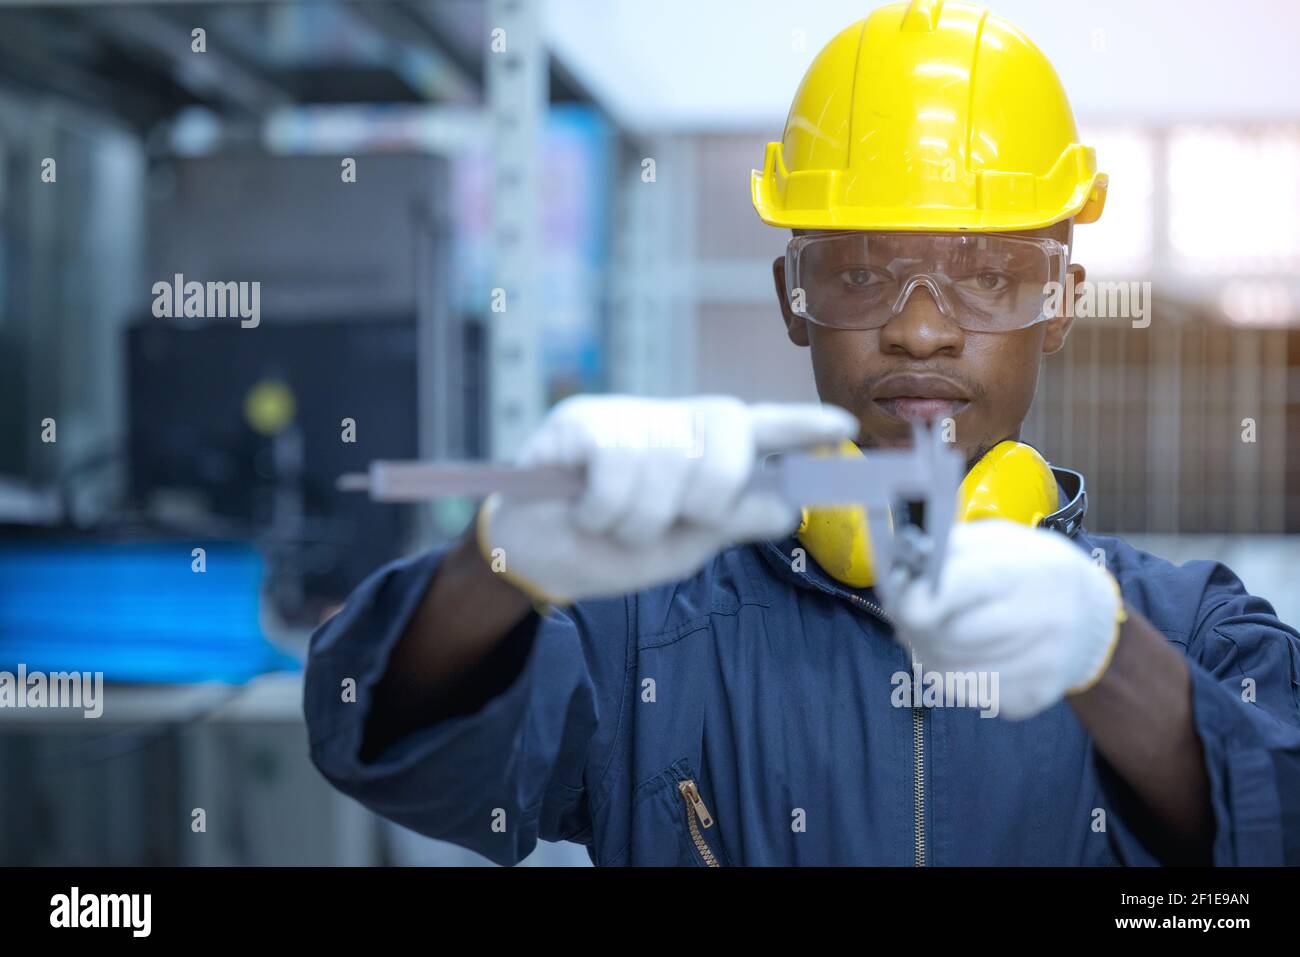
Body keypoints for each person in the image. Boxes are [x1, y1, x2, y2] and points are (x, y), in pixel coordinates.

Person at [304, 1, 1300, 865]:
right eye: (861, 274)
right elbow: (373, 734)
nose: (918, 327)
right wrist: (497, 565)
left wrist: (1106, 660)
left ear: (1061, 304)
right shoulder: (647, 631)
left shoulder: (1186, 634)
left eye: (988, 276)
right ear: (794, 298)